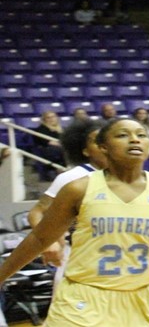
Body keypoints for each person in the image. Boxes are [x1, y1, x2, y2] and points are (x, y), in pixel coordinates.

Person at [0, 118, 149, 327]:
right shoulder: (77, 188)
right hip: (85, 297)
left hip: (144, 296)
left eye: (141, 135)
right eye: (123, 135)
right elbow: (39, 237)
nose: (135, 140)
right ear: (103, 147)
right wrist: (2, 276)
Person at [27, 119, 107, 295]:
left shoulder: (131, 179)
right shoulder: (72, 177)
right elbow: (37, 213)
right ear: (85, 151)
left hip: (120, 260)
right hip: (79, 256)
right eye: (96, 141)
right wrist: (50, 242)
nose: (103, 145)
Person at [31, 110, 66, 180]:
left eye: (53, 117)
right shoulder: (41, 129)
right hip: (47, 150)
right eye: (48, 117)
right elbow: (48, 142)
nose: (51, 119)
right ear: (44, 119)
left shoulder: (62, 129)